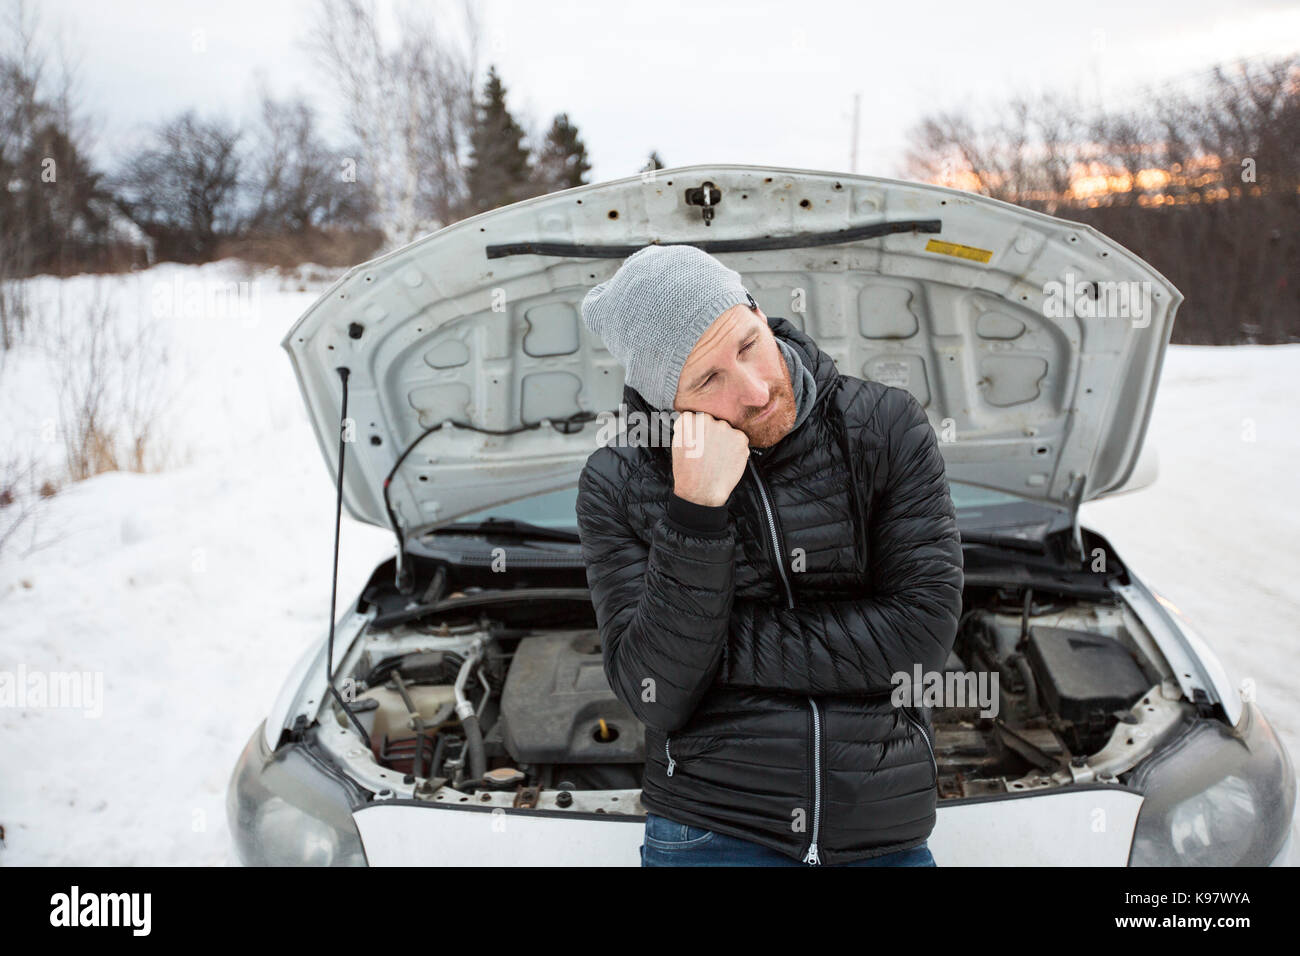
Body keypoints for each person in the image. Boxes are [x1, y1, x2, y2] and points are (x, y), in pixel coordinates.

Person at [575, 244, 963, 866]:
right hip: (710, 829)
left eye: (749, 344)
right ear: (666, 402)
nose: (755, 390)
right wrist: (694, 515)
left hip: (878, 825)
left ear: (758, 311)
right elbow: (656, 694)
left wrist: (713, 651)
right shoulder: (617, 483)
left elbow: (918, 641)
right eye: (708, 380)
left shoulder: (886, 427)